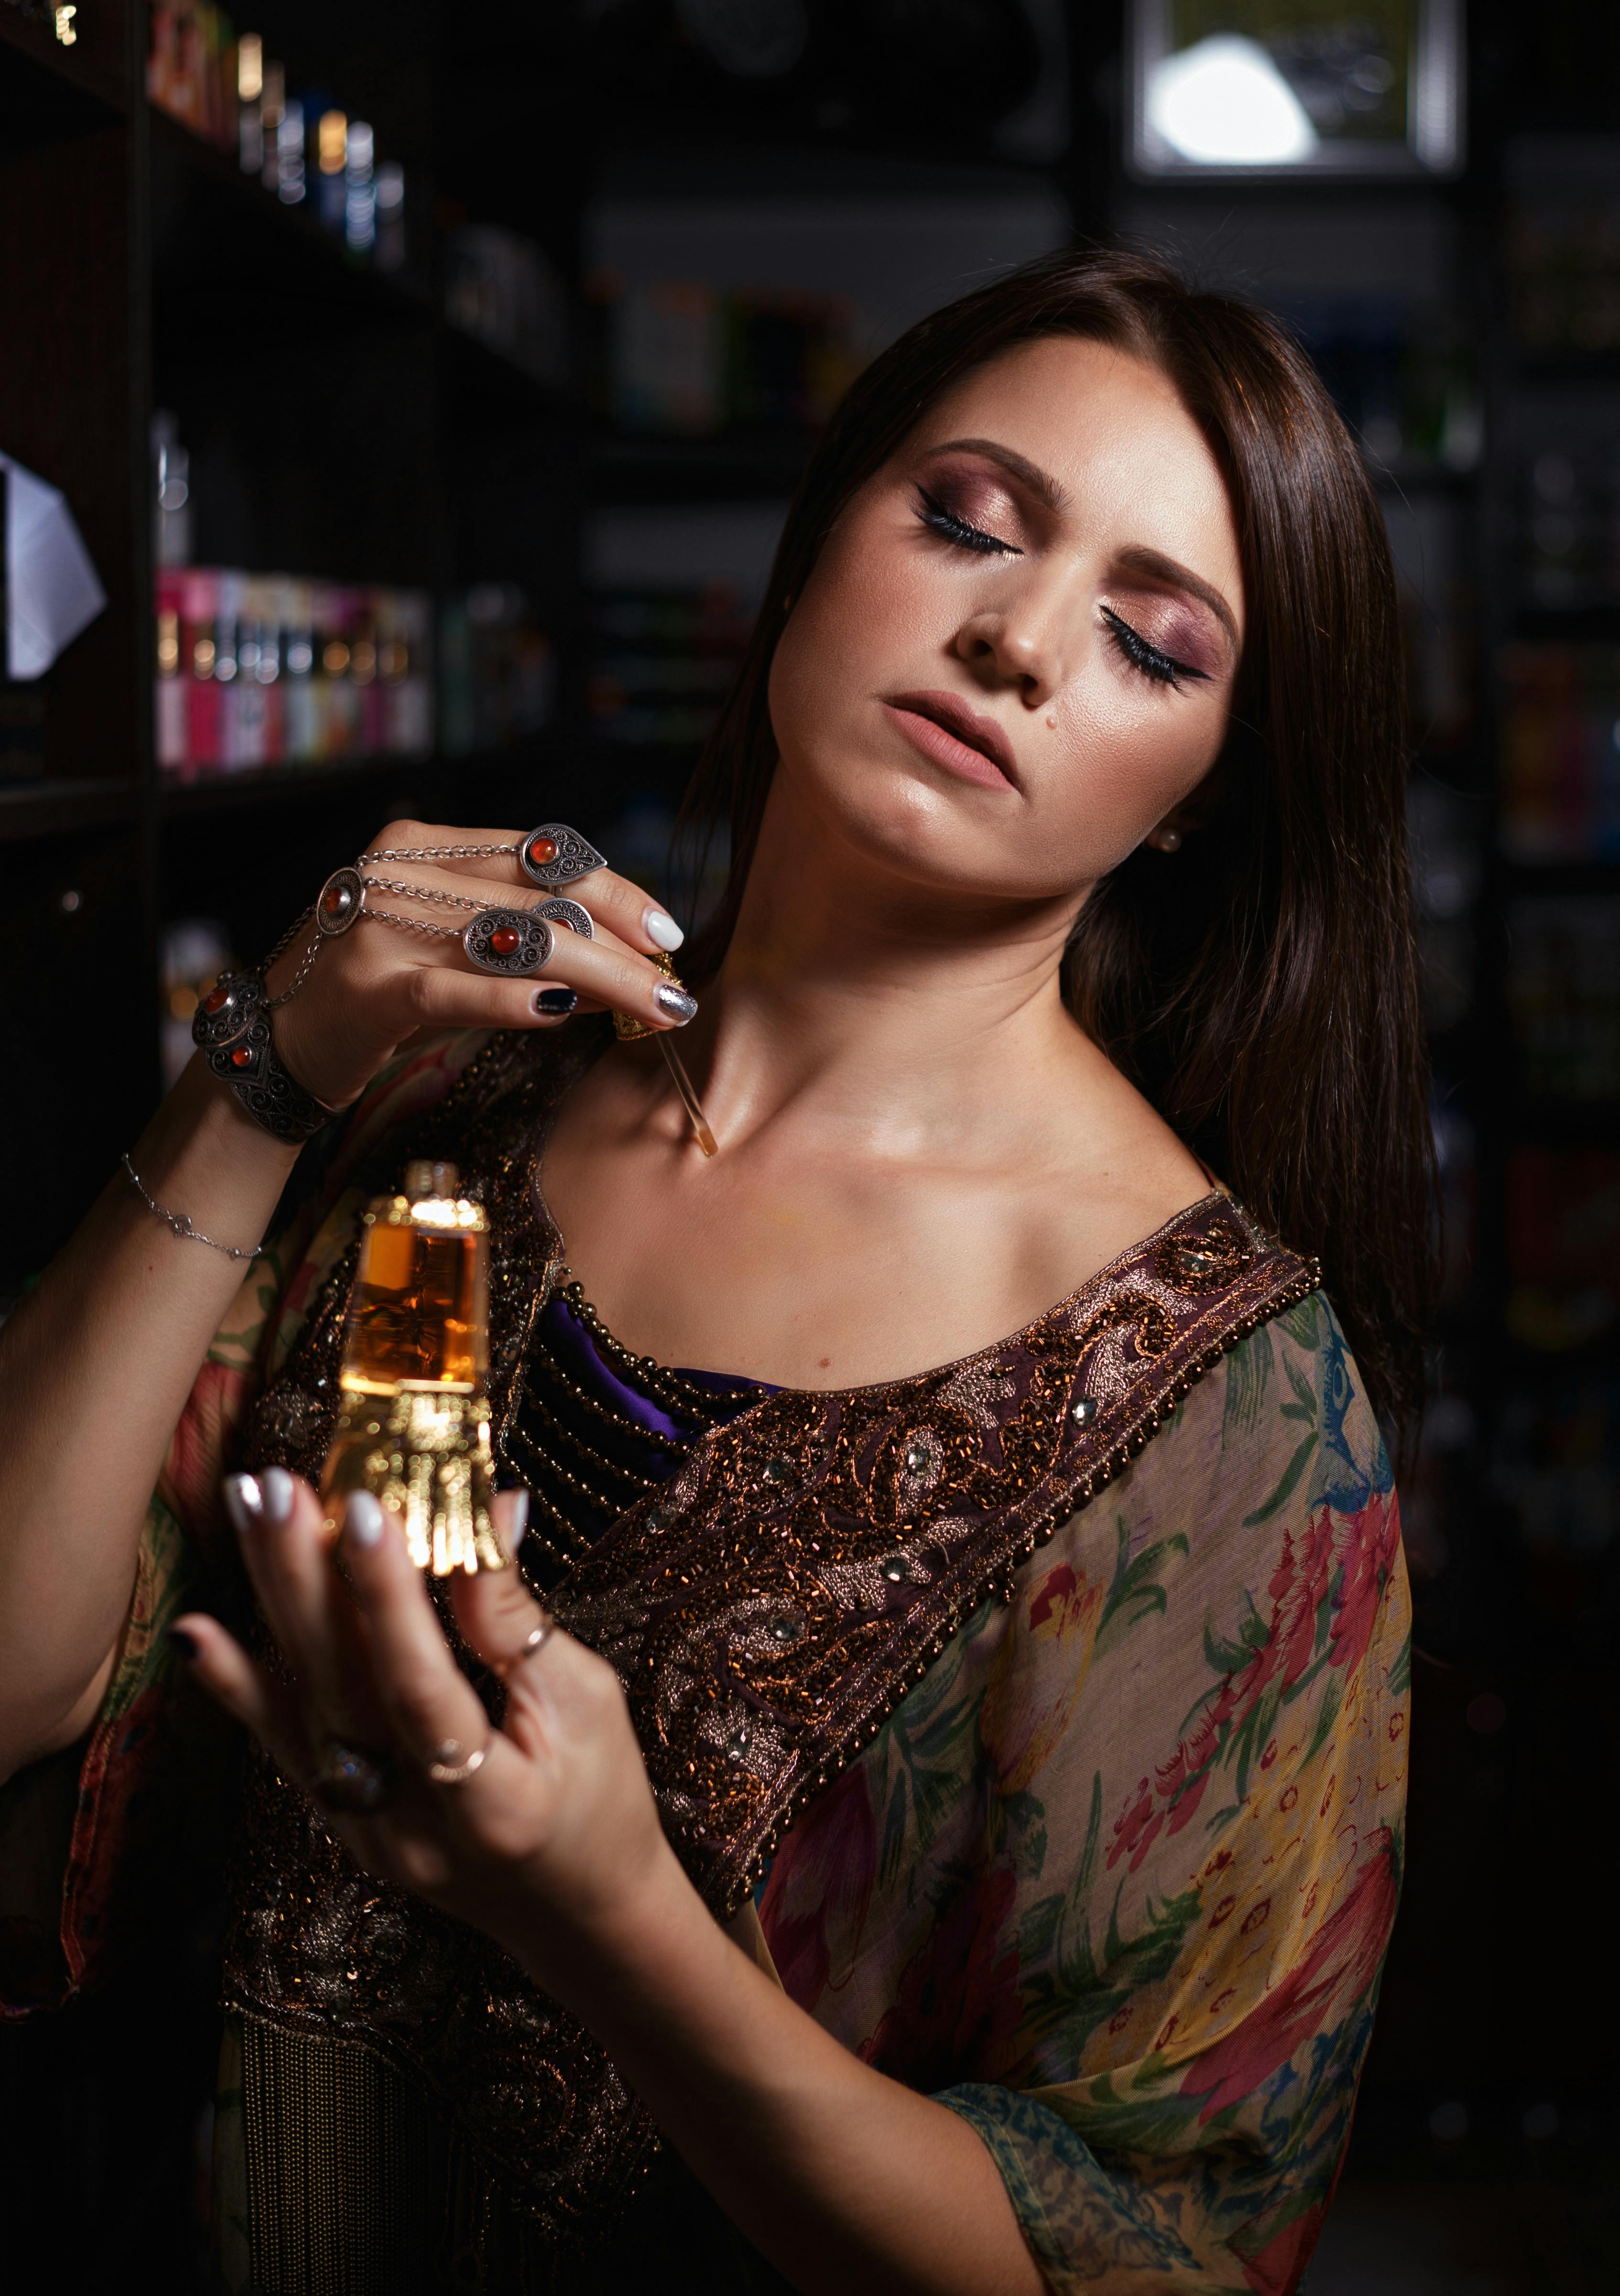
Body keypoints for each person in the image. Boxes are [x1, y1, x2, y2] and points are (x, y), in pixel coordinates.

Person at [0, 249, 1427, 2294]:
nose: (1016, 638)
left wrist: (607, 1913)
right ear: (812, 542)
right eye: (961, 518)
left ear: (1203, 793)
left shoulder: (1225, 1409)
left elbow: (1153, 2258)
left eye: (1147, 639)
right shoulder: (435, 1080)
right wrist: (256, 1078)